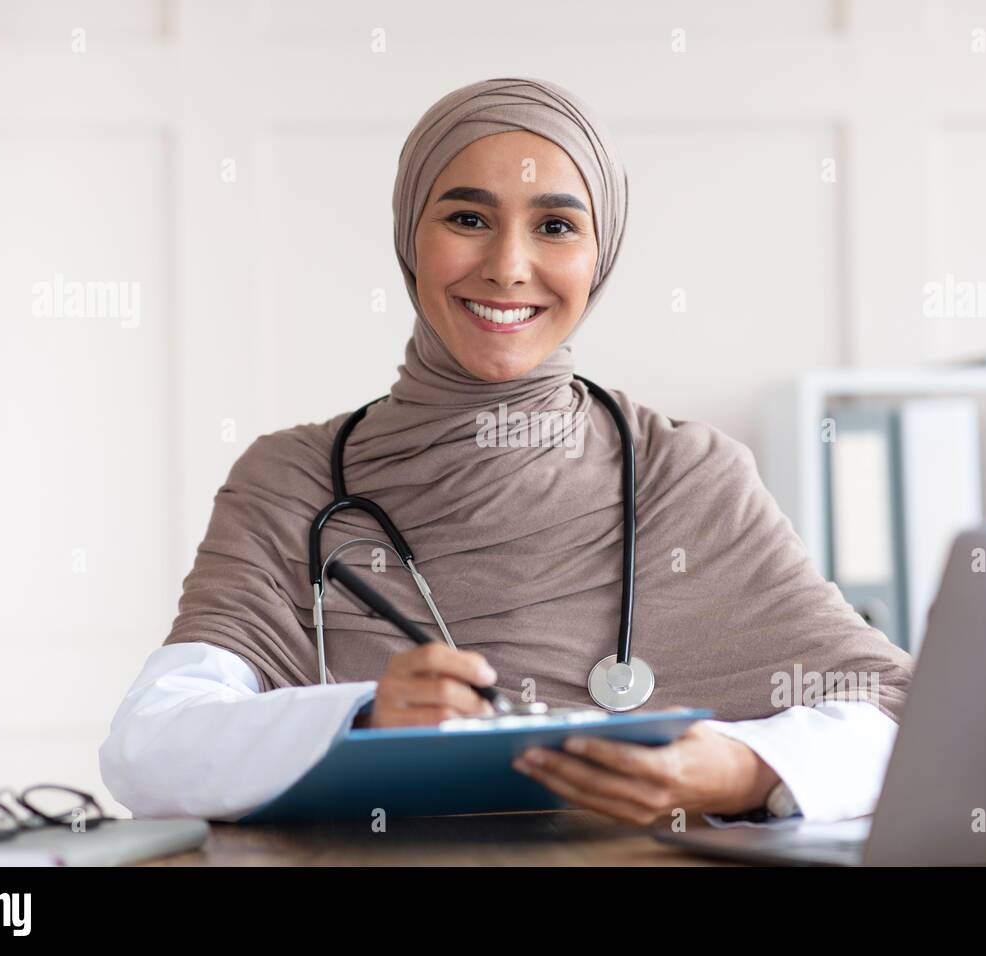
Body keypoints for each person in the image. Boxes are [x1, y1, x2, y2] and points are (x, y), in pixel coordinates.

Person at [99, 76, 914, 827]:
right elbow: (152, 745)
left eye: (556, 226)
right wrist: (363, 719)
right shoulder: (293, 481)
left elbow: (903, 710)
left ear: (602, 257)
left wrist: (748, 766)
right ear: (409, 239)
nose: (508, 267)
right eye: (467, 219)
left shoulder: (686, 475)